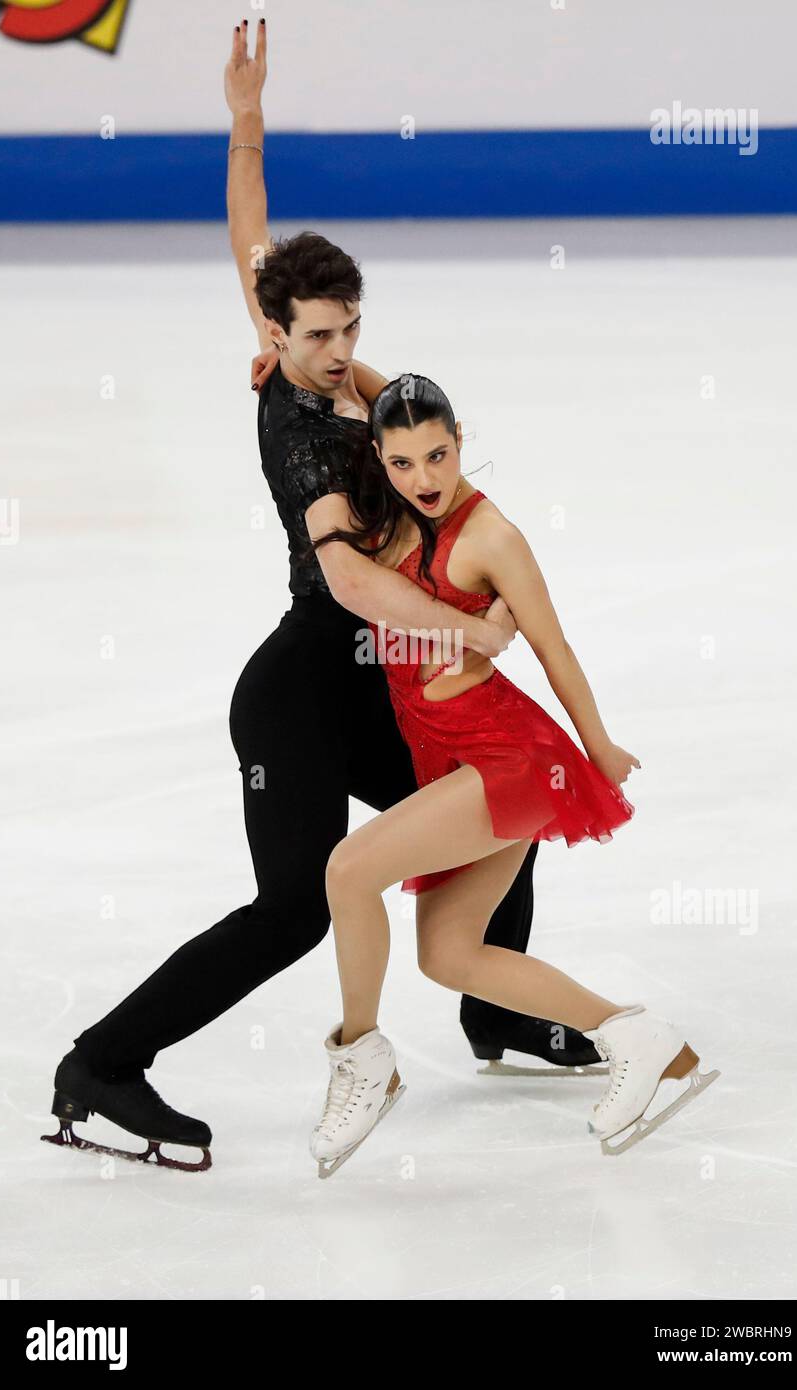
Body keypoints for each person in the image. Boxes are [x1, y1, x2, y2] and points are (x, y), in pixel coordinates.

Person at [41, 19, 598, 1175]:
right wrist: (471, 626)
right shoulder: (294, 424)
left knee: (501, 794)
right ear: (276, 341)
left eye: (348, 330)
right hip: (300, 689)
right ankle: (101, 1064)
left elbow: (252, 239)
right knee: (296, 904)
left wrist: (245, 119)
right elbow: (345, 576)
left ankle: (490, 1008)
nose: (338, 353)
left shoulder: (324, 354)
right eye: (317, 337)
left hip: (369, 682)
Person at [307, 375, 719, 1176]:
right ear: (380, 459)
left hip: (511, 759)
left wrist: (597, 744)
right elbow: (365, 390)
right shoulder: (389, 511)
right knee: (450, 955)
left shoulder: (491, 536)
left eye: (439, 454)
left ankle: (361, 1056)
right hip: (456, 760)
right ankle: (642, 1038)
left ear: (462, 437)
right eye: (402, 462)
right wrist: (297, 355)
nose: (424, 478)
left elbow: (553, 646)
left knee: (348, 873)